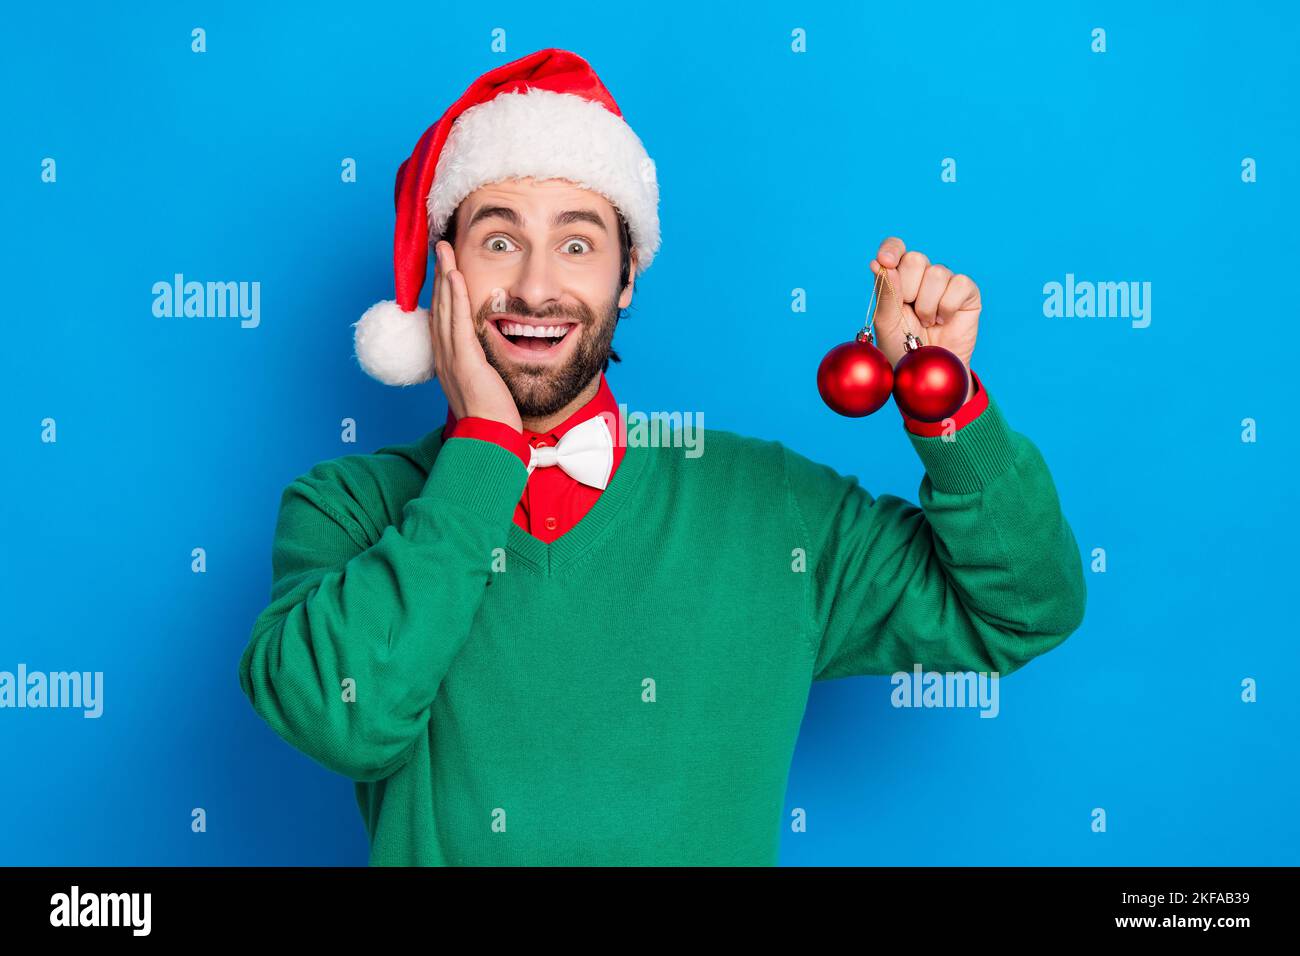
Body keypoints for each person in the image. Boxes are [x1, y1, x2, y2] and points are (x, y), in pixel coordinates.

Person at [238, 48, 1086, 866]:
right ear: (445, 270)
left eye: (577, 244)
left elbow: (1022, 610)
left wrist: (946, 402)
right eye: (500, 241)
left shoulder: (772, 508)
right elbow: (343, 722)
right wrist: (485, 450)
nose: (536, 288)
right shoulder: (344, 509)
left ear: (627, 276)